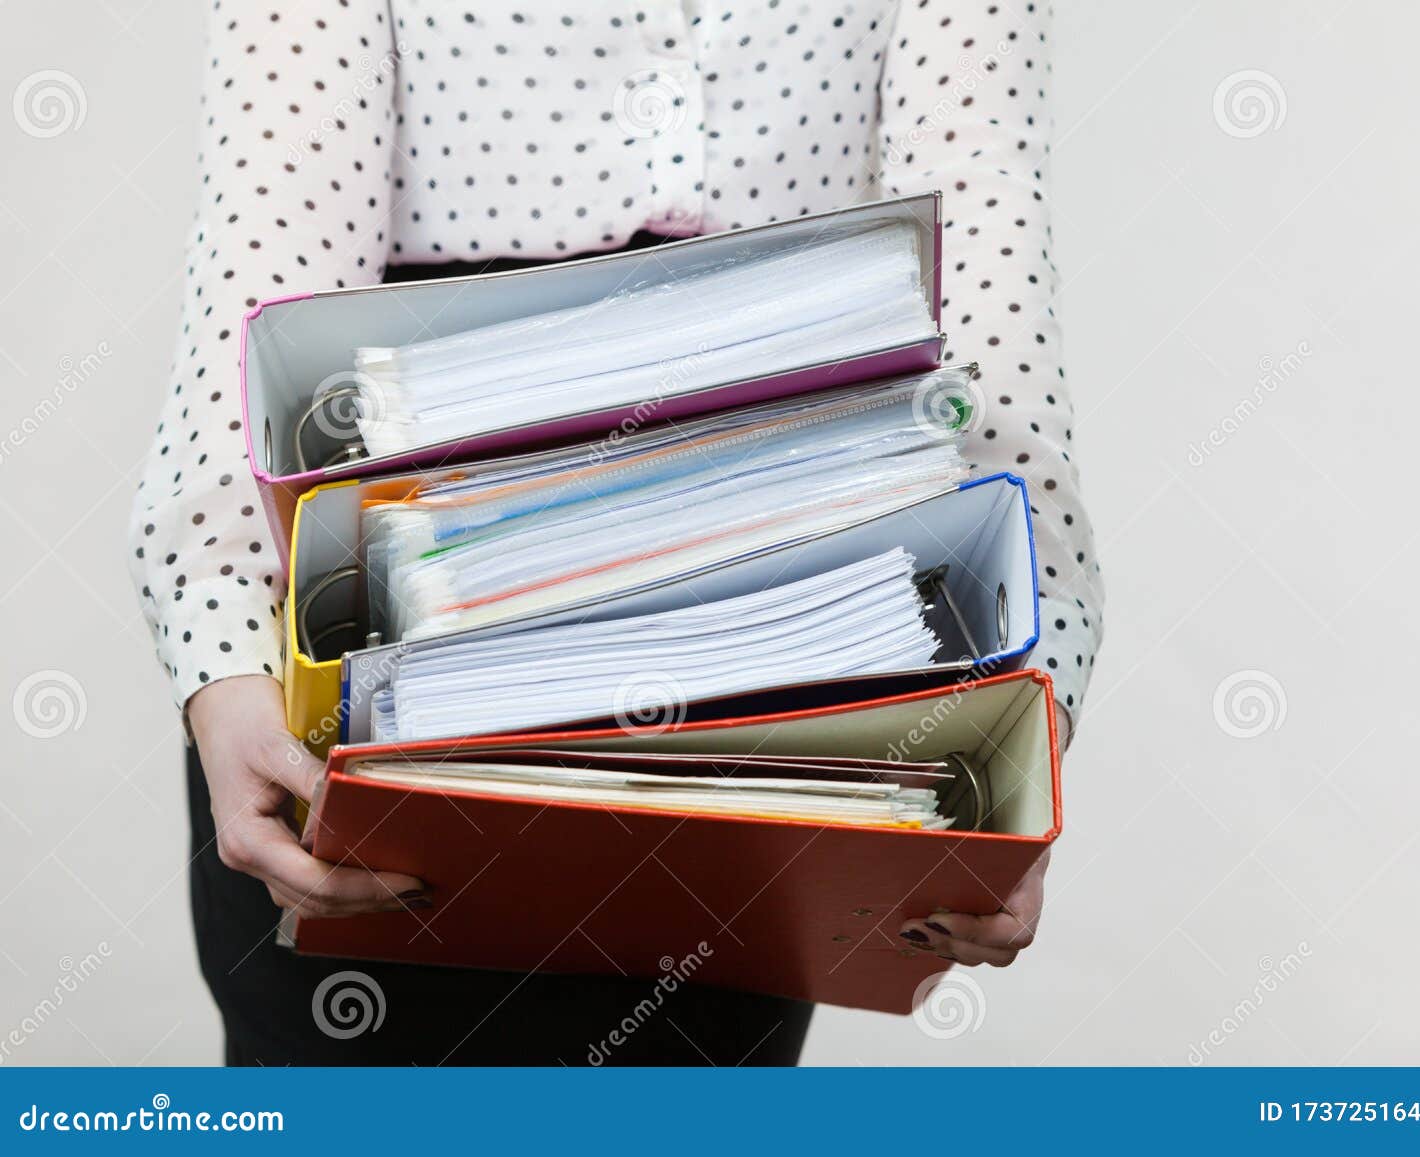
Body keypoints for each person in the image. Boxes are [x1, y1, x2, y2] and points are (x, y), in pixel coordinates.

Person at [127, 0, 1104, 1066]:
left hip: (763, 596)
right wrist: (220, 655)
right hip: (391, 567)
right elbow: (262, 254)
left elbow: (991, 300)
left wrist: (1026, 712)